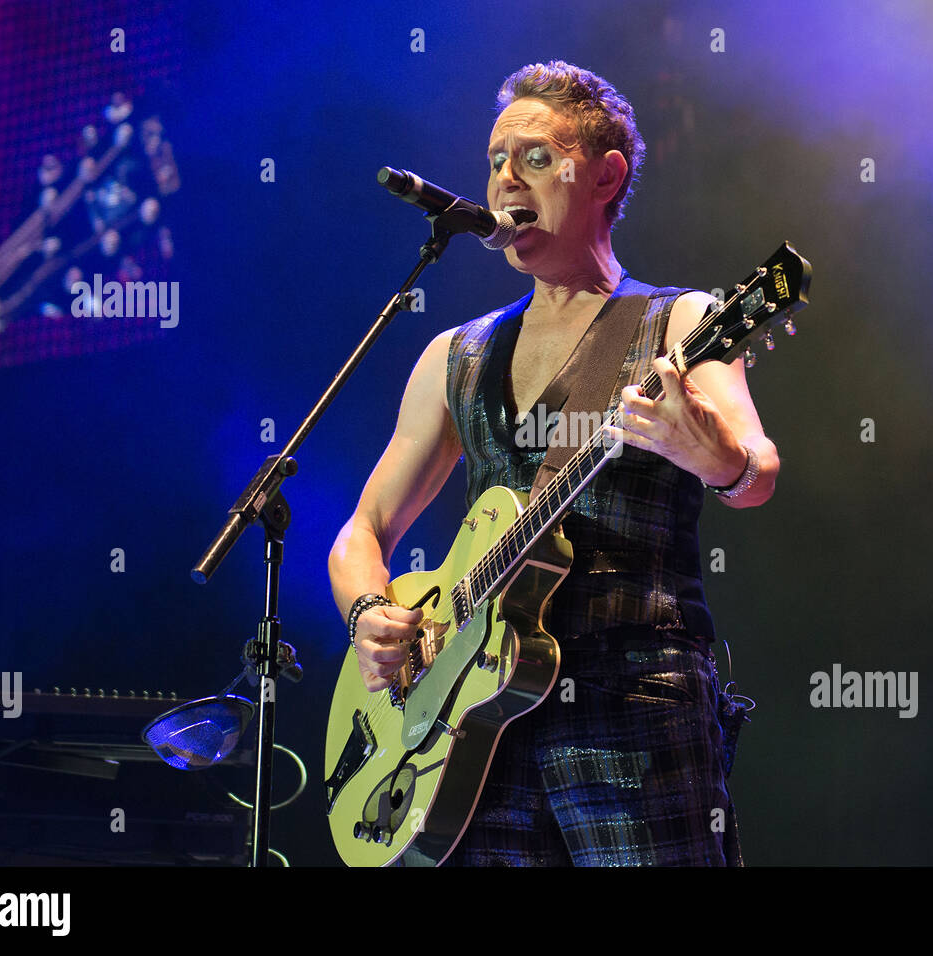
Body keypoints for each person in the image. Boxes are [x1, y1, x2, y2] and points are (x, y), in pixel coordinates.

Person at [328, 61, 779, 866]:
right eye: (497, 160)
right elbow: (362, 530)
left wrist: (708, 453)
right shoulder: (454, 355)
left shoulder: (680, 322)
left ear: (606, 176)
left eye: (535, 157)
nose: (506, 179)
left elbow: (756, 473)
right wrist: (369, 616)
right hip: (473, 728)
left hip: (632, 703)